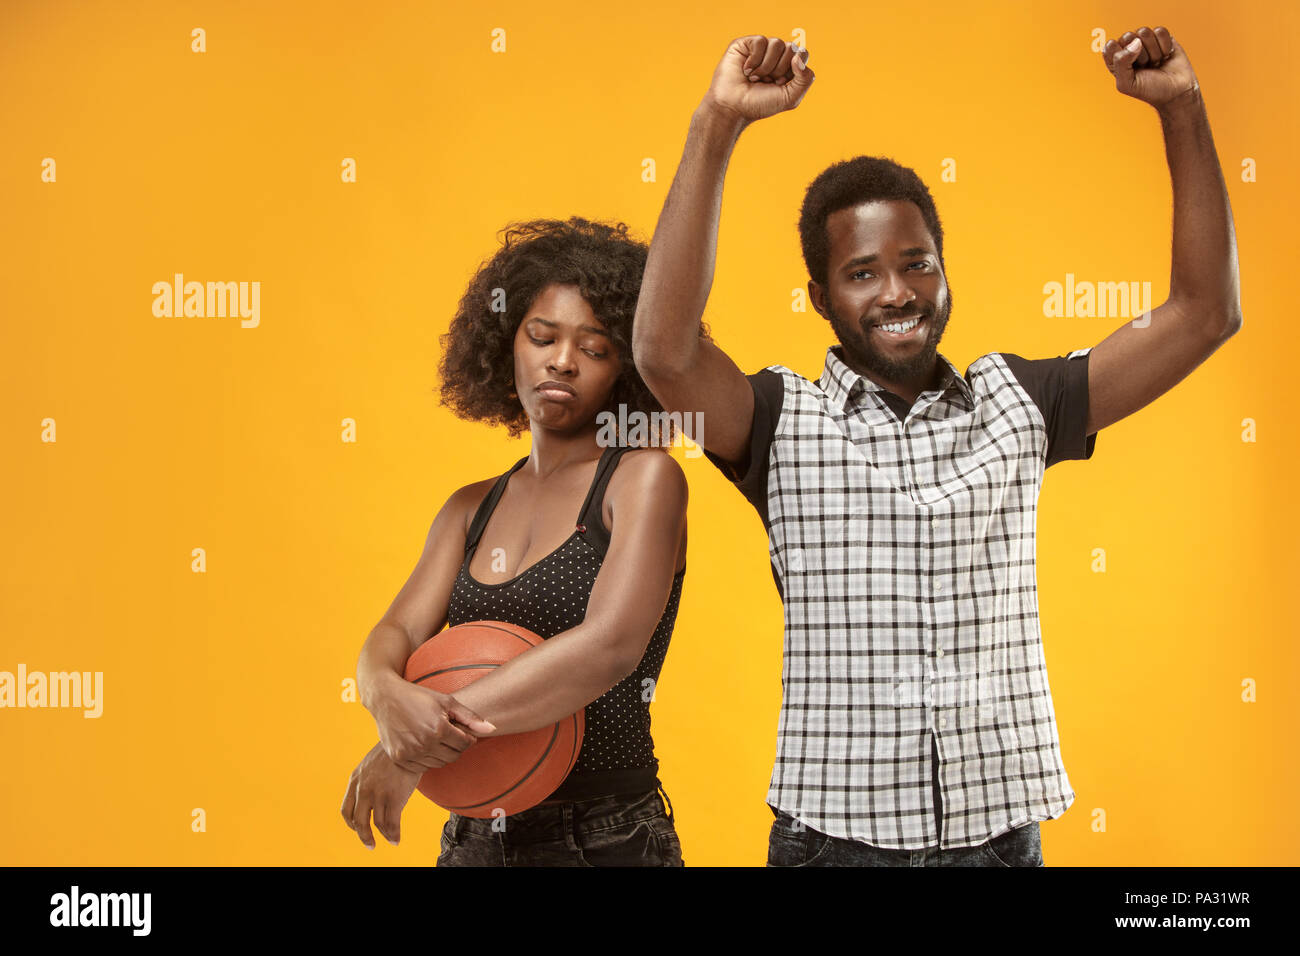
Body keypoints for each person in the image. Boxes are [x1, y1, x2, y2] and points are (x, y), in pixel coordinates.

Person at [632, 29, 1241, 866]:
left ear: (946, 272)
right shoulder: (783, 420)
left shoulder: (1022, 401)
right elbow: (665, 353)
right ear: (820, 295)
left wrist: (1181, 107)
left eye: (918, 264)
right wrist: (719, 124)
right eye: (862, 273)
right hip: (832, 843)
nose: (897, 293)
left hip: (997, 840)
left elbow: (1204, 312)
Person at [341, 217, 693, 866]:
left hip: (606, 837)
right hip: (475, 838)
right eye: (542, 336)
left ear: (626, 367)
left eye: (594, 347)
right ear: (506, 343)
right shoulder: (468, 508)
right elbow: (393, 634)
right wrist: (381, 692)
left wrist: (416, 743)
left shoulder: (643, 478)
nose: (562, 360)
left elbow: (609, 646)